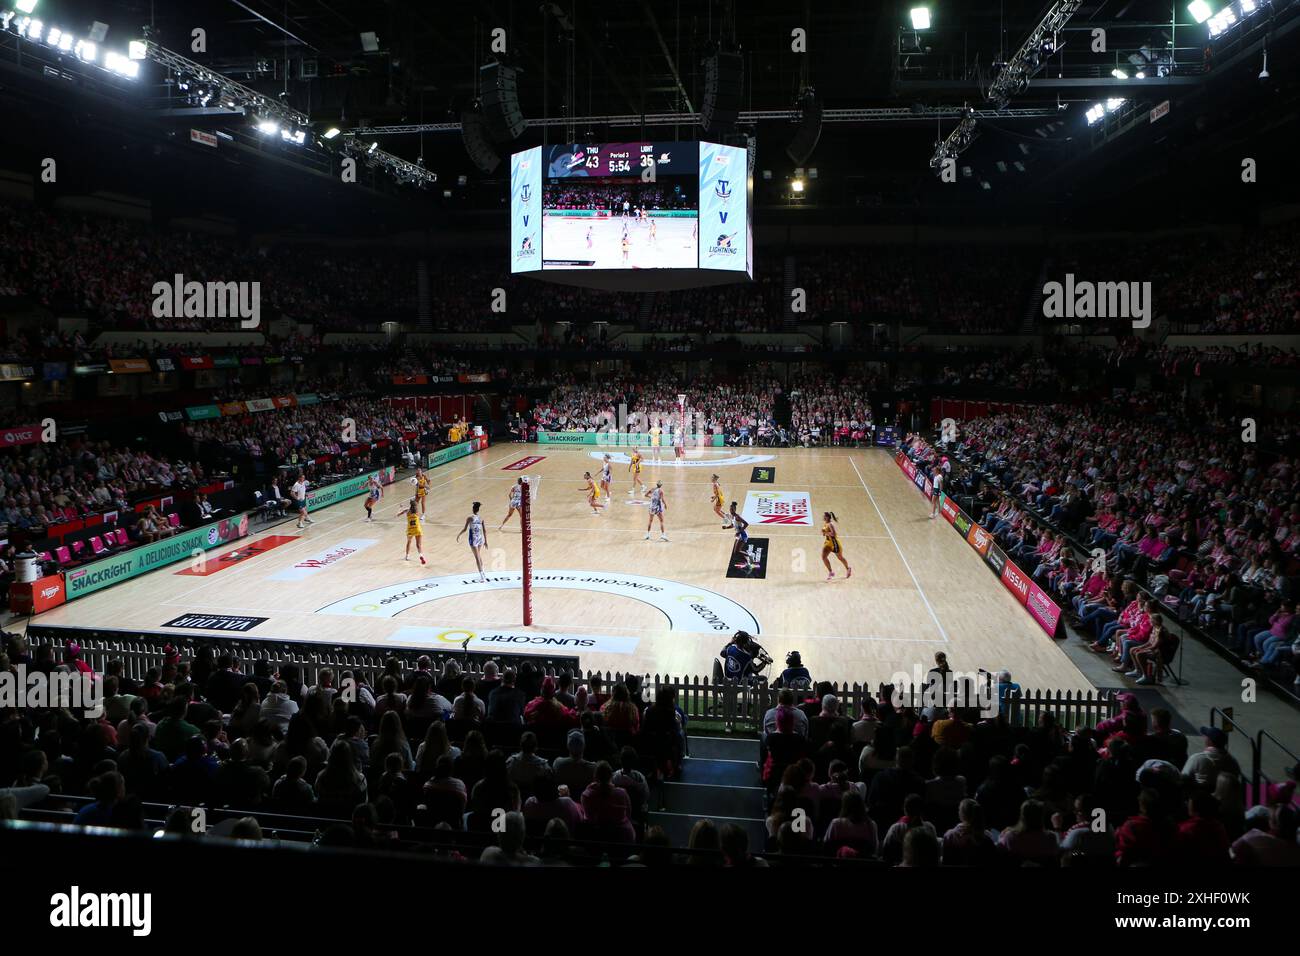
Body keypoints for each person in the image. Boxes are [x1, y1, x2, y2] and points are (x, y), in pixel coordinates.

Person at [456, 501, 488, 583]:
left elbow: (465, 529)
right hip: (480, 538)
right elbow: (484, 530)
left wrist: (459, 535)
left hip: (473, 539)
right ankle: (483, 572)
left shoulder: (470, 518)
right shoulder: (481, 518)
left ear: (473, 509)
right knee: (479, 555)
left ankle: (482, 576)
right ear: (478, 509)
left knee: (477, 557)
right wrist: (486, 541)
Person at [821, 511, 852, 581]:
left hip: (835, 544)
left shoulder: (830, 524)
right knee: (823, 557)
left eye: (824, 516)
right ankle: (831, 572)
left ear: (828, 517)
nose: (823, 517)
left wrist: (825, 532)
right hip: (828, 543)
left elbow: (834, 534)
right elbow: (826, 533)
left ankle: (848, 568)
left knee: (840, 558)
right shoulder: (826, 523)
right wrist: (824, 533)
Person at [399, 498, 427, 565]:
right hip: (417, 529)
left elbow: (398, 514)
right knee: (418, 545)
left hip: (410, 529)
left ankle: (407, 556)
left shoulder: (407, 511)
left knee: (409, 542)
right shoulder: (417, 512)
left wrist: (401, 507)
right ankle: (421, 556)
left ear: (410, 505)